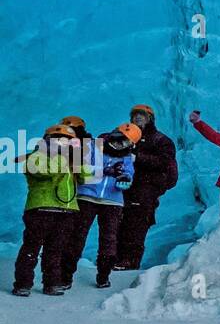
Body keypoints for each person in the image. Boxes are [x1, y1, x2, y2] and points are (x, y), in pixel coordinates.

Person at [12, 124, 93, 297]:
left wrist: (78, 158)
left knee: (56, 251)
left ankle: (51, 284)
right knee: (31, 248)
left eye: (67, 141)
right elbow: (45, 171)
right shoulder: (35, 157)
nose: (63, 144)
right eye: (59, 140)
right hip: (40, 209)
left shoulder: (71, 159)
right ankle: (22, 284)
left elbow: (87, 178)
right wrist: (63, 157)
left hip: (66, 211)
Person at [62, 124, 139, 289]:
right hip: (87, 196)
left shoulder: (127, 157)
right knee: (77, 236)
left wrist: (124, 179)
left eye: (125, 142)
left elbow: (129, 175)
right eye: (119, 139)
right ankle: (65, 276)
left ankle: (103, 275)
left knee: (109, 240)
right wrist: (106, 170)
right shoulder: (93, 147)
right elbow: (82, 167)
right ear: (113, 134)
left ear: (131, 145)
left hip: (112, 201)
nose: (120, 144)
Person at [116, 104, 178, 271]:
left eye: (141, 115)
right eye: (135, 115)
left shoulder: (160, 140)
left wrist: (138, 158)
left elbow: (165, 162)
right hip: (121, 191)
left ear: (150, 118)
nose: (137, 118)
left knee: (135, 228)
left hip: (144, 192)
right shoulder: (123, 136)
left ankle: (129, 263)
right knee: (118, 227)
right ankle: (116, 261)